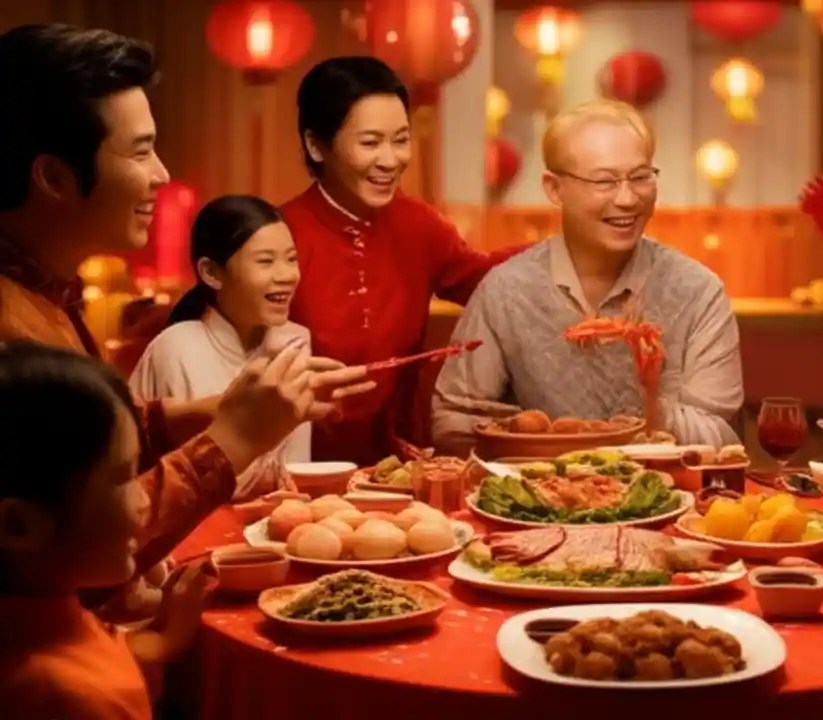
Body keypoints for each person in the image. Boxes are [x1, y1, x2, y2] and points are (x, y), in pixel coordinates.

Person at [0, 25, 370, 584]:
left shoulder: (48, 293)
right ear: (53, 175)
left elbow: (77, 447)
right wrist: (234, 440)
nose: (161, 175)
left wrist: (219, 410)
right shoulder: (12, 338)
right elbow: (78, 547)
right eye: (141, 151)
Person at [432, 99, 744, 453]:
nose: (627, 198)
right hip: (540, 495)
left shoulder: (697, 292)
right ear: (554, 189)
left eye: (641, 177)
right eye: (604, 181)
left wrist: (654, 406)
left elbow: (722, 434)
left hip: (668, 497)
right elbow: (452, 420)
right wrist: (534, 438)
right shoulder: (507, 290)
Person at [281, 57, 525, 466]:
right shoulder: (279, 234)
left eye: (400, 139)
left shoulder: (418, 225)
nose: (391, 159)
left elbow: (487, 282)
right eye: (370, 142)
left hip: (400, 468)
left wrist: (569, 244)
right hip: (298, 470)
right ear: (315, 145)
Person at [0, 343, 218, 718]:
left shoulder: (46, 611)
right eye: (125, 476)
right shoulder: (65, 698)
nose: (145, 499)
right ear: (19, 526)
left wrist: (162, 640)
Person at [130, 196, 311, 487]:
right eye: (265, 262)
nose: (287, 275)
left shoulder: (295, 340)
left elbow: (297, 471)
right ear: (211, 273)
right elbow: (188, 481)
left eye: (291, 259)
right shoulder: (177, 348)